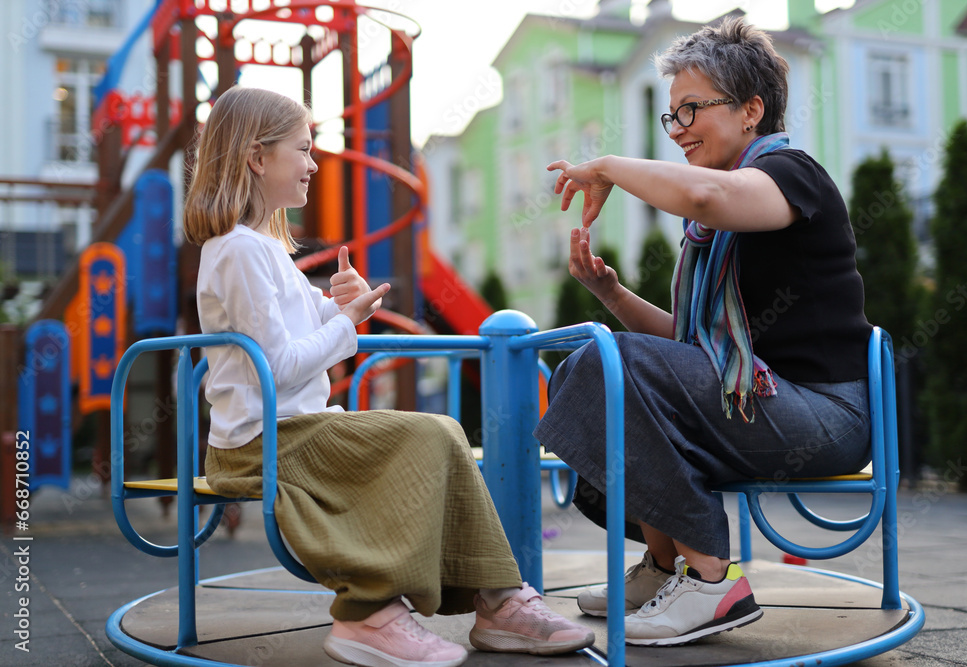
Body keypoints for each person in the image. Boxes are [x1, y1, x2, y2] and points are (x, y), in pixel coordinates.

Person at [183, 86, 594, 667]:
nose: (313, 163)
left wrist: (338, 305)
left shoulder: (261, 247)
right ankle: (370, 615)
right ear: (257, 158)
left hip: (289, 430)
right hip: (262, 441)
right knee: (432, 435)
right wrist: (345, 325)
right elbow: (274, 367)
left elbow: (289, 334)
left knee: (441, 433)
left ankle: (496, 598)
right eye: (302, 150)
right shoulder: (241, 250)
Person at [538, 17, 873, 647]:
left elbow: (707, 198)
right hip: (760, 402)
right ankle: (667, 567)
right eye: (672, 115)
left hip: (825, 415)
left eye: (692, 108)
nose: (679, 128)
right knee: (593, 365)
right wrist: (609, 293)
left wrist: (609, 164)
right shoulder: (713, 228)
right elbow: (688, 351)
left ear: (752, 110)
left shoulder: (790, 174)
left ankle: (712, 579)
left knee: (610, 366)